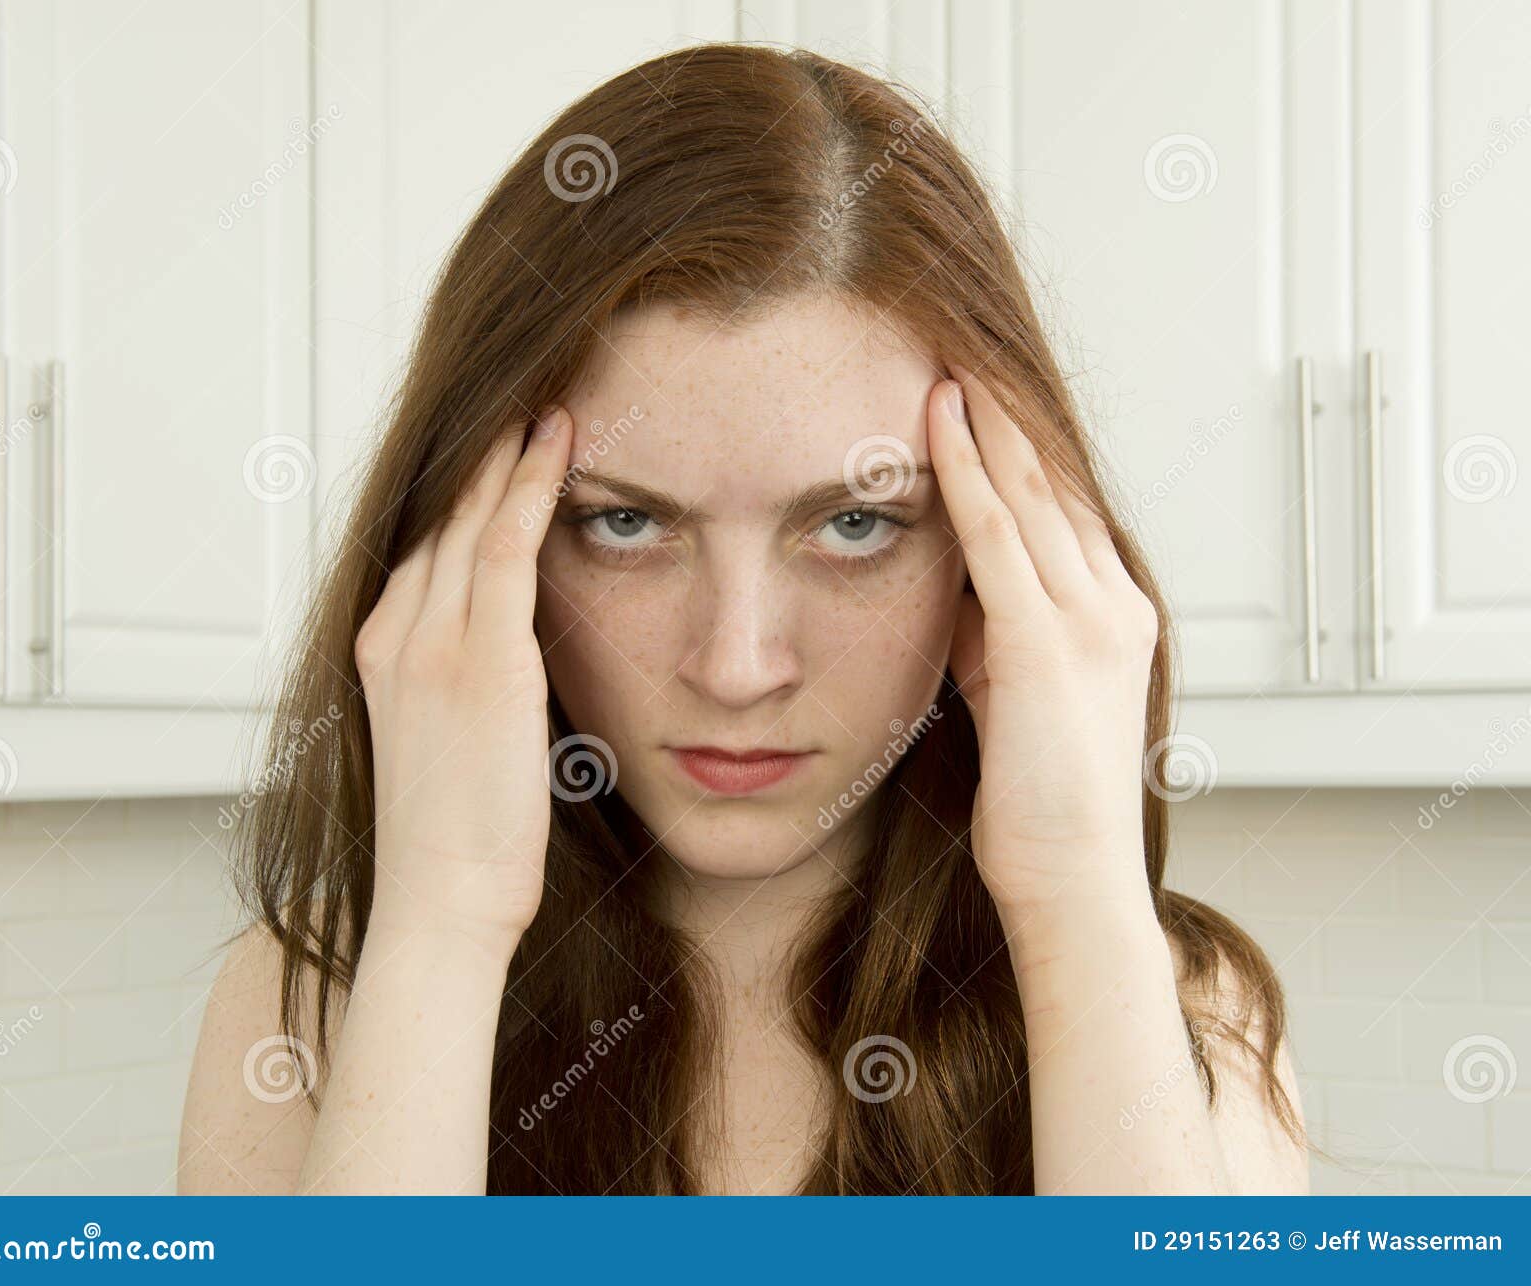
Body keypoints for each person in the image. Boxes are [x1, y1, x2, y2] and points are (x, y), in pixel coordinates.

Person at [178, 41, 1311, 1196]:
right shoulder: (309, 1006)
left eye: (856, 525)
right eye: (624, 524)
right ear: (472, 555)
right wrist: (443, 924)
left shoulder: (1181, 1010)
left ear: (996, 559)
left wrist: (1076, 893)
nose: (735, 665)